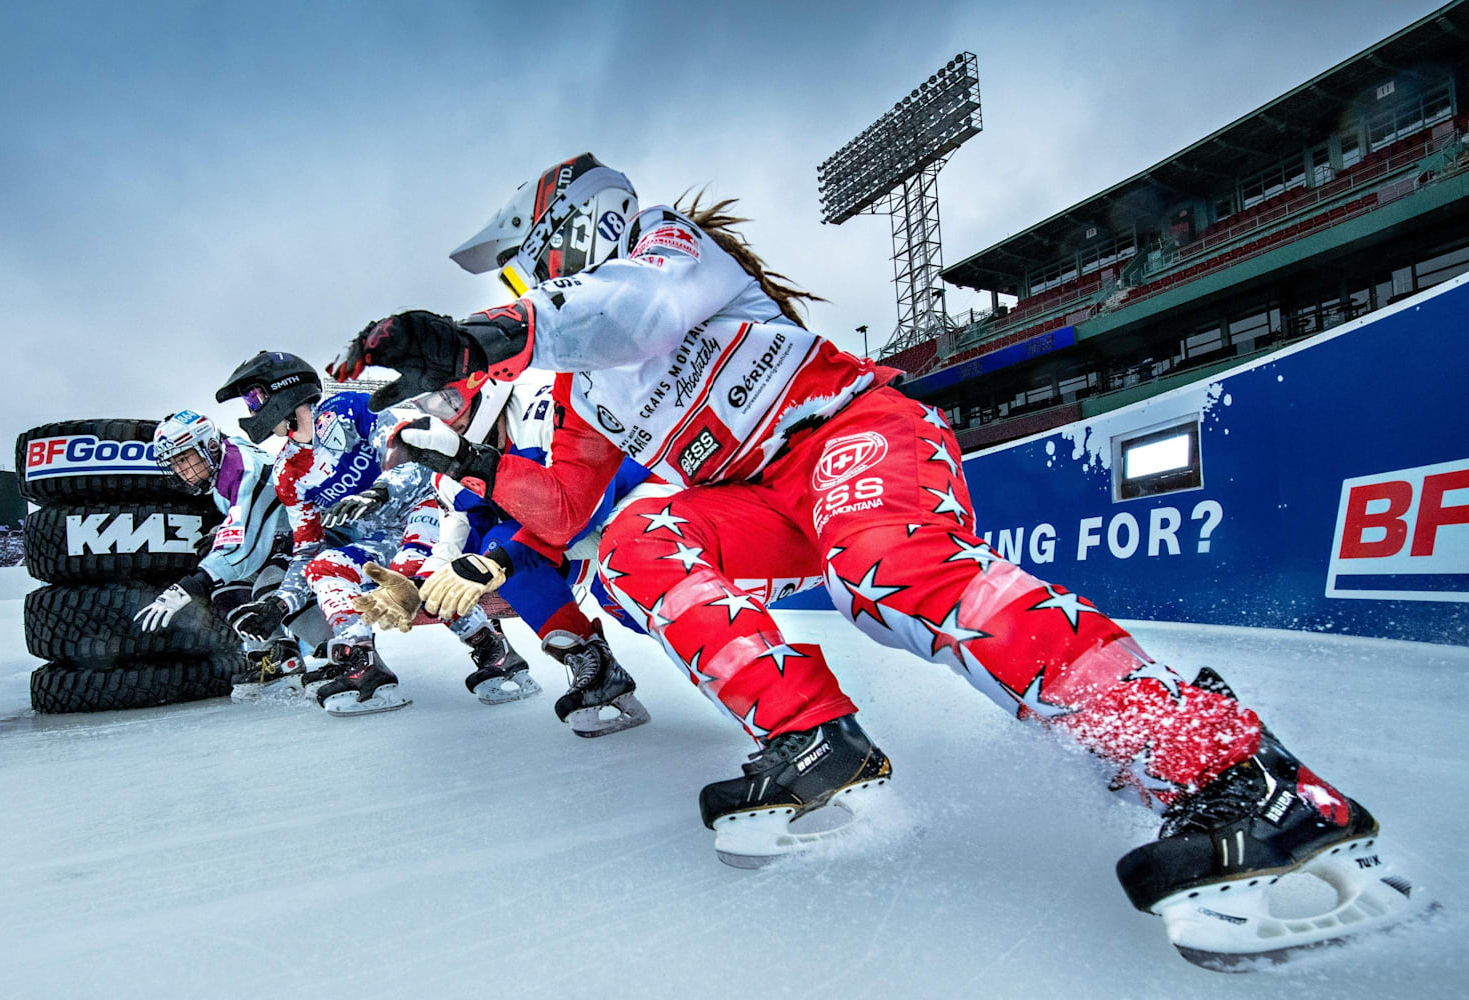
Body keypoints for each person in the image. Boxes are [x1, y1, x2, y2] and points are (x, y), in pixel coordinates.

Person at [329, 154, 1413, 963]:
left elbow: (630, 311)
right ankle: (812, 740)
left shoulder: (665, 251)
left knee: (893, 573)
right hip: (761, 498)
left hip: (854, 433)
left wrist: (484, 335)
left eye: (535, 260)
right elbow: (562, 508)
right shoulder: (576, 378)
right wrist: (471, 463)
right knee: (631, 547)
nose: (531, 281)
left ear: (579, 225)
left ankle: (1241, 776)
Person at [214, 351, 522, 716]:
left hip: (430, 511)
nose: (252, 412)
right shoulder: (288, 473)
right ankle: (362, 663)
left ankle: (492, 648)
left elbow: (418, 458)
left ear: (285, 389)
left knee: (406, 576)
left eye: (254, 399)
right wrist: (279, 605)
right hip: (380, 540)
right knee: (324, 565)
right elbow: (306, 550)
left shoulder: (350, 410)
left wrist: (379, 491)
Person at [354, 368, 658, 735]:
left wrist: (499, 560)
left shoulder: (540, 410)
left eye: (444, 401)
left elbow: (584, 505)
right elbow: (456, 539)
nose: (441, 419)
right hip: (559, 542)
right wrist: (417, 588)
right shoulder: (446, 471)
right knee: (490, 543)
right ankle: (592, 661)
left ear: (483, 385)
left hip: (631, 508)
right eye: (425, 409)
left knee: (653, 610)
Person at [132, 409, 331, 698]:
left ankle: (342, 651)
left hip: (321, 531)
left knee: (271, 586)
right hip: (285, 536)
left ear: (210, 446)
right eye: (174, 463)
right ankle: (277, 653)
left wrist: (187, 587)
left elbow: (240, 545)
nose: (180, 471)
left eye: (184, 458)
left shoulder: (243, 469)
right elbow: (250, 522)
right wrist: (217, 535)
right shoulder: (223, 466)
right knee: (227, 589)